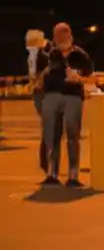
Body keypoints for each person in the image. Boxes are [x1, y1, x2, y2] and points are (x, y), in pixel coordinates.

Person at [42, 22, 94, 187]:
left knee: (73, 135)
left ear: (70, 35)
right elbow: (38, 73)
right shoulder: (49, 54)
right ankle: (52, 173)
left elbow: (89, 74)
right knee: (52, 135)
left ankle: (73, 174)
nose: (61, 37)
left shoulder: (79, 55)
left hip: (72, 97)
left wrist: (77, 76)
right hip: (51, 95)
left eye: (64, 33)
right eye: (58, 34)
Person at [25, 29, 56, 174]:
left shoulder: (32, 56)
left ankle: (46, 162)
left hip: (37, 93)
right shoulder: (42, 56)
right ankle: (47, 162)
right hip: (43, 93)